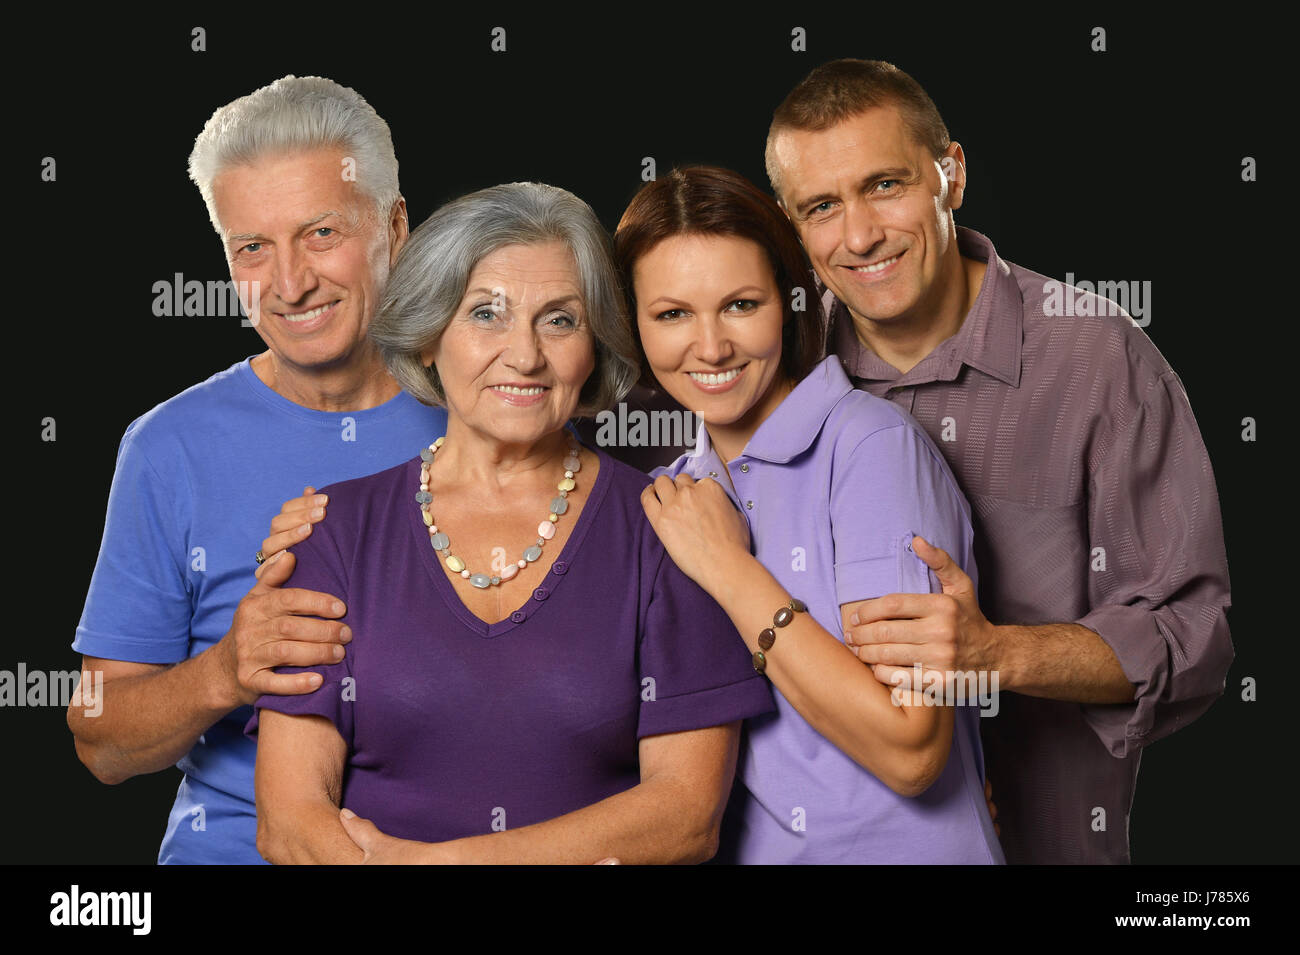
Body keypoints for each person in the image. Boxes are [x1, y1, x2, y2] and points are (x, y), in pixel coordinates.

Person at [765, 59, 1233, 863]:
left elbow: (1193, 636)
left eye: (885, 185)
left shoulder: (1098, 358)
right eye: (821, 206)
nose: (859, 234)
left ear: (951, 174)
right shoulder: (771, 369)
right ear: (788, 223)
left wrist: (996, 654)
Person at [246, 181, 775, 864]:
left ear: (594, 353)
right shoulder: (331, 532)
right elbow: (289, 820)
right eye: (486, 314)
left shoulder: (671, 531)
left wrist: (451, 864)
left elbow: (684, 817)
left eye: (560, 319)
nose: (524, 355)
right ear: (431, 337)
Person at [67, 76, 448, 864]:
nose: (289, 283)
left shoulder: (493, 410)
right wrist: (223, 672)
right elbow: (99, 739)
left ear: (395, 225)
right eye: (252, 248)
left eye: (320, 233)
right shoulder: (168, 446)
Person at [621, 165, 1003, 863]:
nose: (710, 346)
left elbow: (911, 746)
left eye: (740, 304)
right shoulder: (671, 496)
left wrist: (728, 568)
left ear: (791, 303)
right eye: (672, 313)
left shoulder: (870, 448)